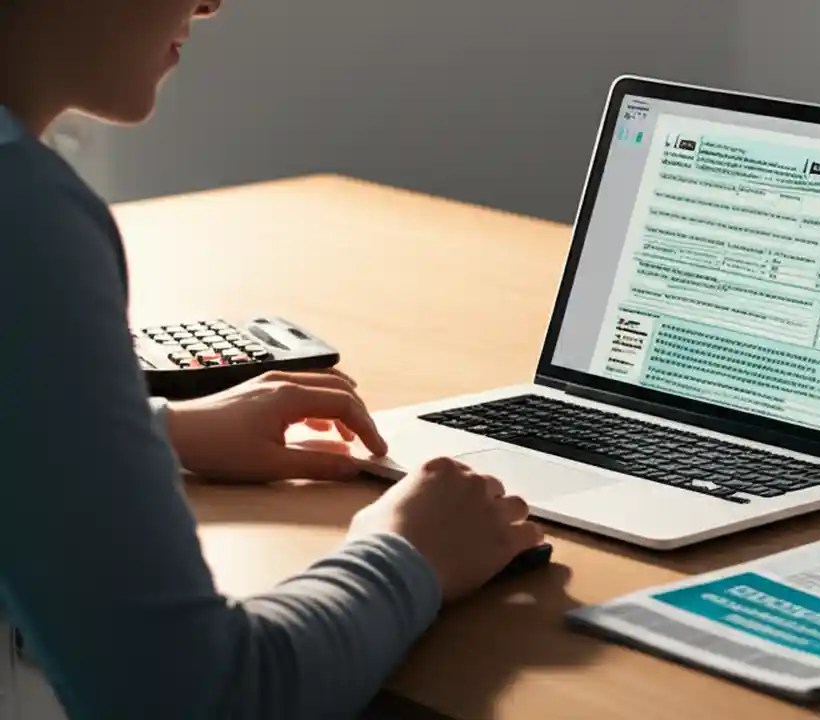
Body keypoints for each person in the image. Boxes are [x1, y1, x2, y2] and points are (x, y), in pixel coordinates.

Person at [0, 1, 543, 717]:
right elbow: (196, 696)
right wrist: (408, 554)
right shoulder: (25, 220)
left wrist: (159, 431)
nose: (211, 3)